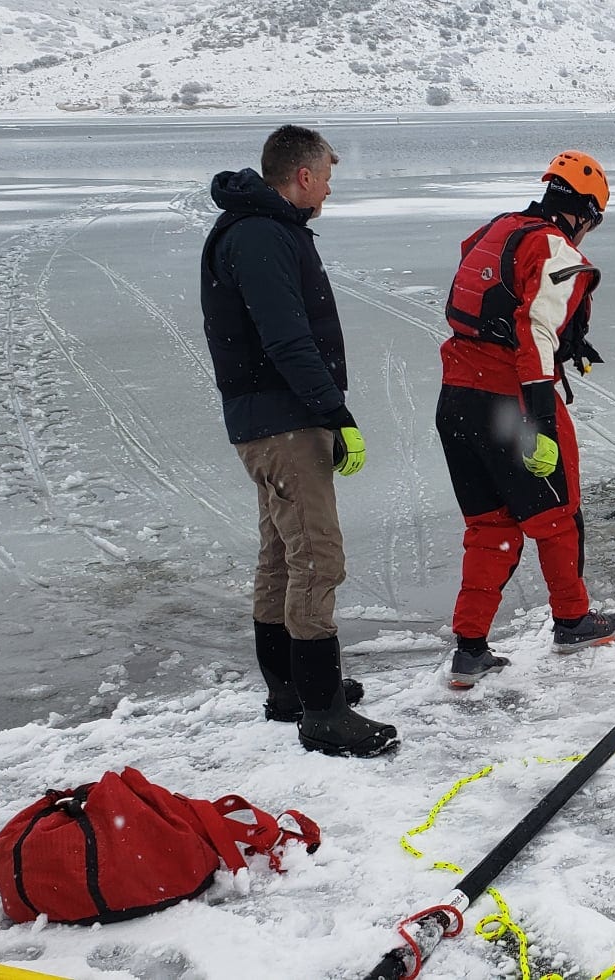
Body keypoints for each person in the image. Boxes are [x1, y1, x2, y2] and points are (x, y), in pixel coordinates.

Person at [200, 124, 398, 758]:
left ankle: (291, 689)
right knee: (315, 555)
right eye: (327, 178)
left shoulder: (258, 228)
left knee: (281, 554)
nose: (331, 191)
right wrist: (334, 413)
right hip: (283, 422)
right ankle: (322, 712)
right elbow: (287, 339)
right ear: (304, 177)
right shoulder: (260, 235)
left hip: (268, 418)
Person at [436, 150, 615, 690]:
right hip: (509, 402)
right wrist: (540, 419)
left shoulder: (497, 229)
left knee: (490, 526)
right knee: (557, 516)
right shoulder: (552, 246)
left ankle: (469, 649)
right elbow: (535, 330)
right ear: (584, 211)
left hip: (456, 399)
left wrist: (573, 336)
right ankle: (572, 621)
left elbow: (489, 293)